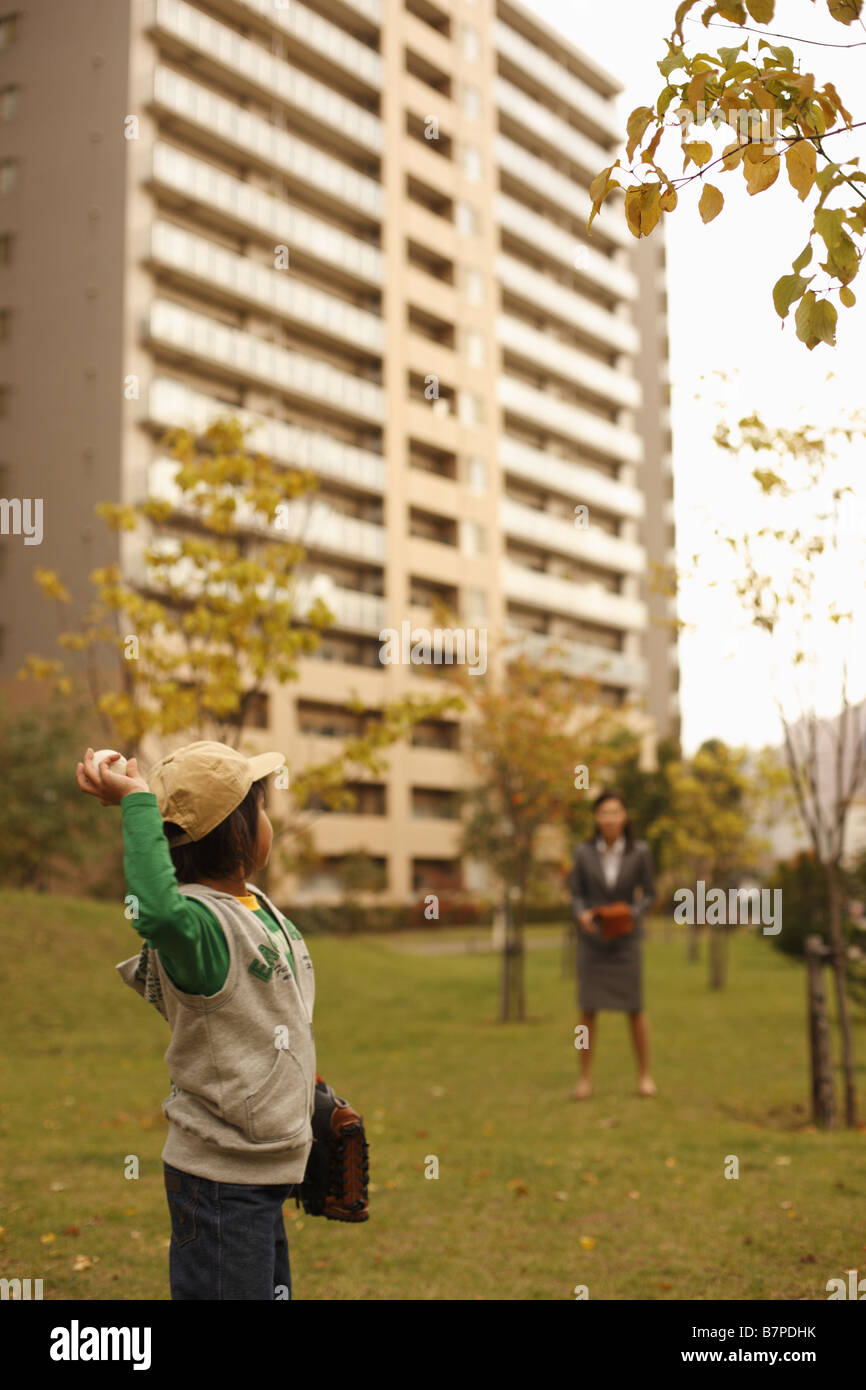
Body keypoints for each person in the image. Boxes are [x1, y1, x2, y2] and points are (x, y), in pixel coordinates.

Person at [75, 740, 321, 1301]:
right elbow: (155, 911)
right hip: (219, 1182)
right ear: (236, 831)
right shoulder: (198, 925)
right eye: (258, 809)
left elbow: (266, 1021)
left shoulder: (252, 904)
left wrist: (307, 1095)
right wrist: (139, 801)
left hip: (260, 1168)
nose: (268, 819)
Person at [567, 789, 656, 1100]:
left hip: (626, 941)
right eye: (603, 813)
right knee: (587, 1012)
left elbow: (650, 894)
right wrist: (580, 914)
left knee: (635, 1009)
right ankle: (584, 1078)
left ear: (624, 817)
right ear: (596, 817)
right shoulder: (582, 853)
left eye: (615, 812)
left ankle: (644, 1076)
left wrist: (630, 912)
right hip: (593, 941)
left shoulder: (640, 852)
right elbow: (576, 892)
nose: (609, 819)